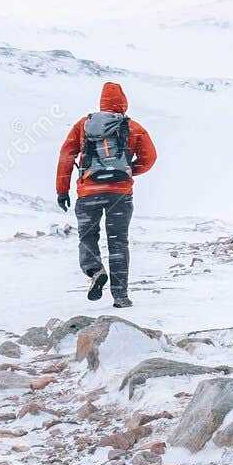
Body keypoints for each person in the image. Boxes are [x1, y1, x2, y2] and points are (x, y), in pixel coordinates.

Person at [54, 81, 158, 308]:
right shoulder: (134, 127)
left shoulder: (83, 125)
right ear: (123, 103)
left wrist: (62, 190)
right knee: (118, 242)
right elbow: (150, 158)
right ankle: (120, 296)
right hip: (120, 194)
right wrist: (129, 172)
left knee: (88, 237)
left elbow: (66, 156)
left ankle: (95, 270)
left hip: (88, 193)